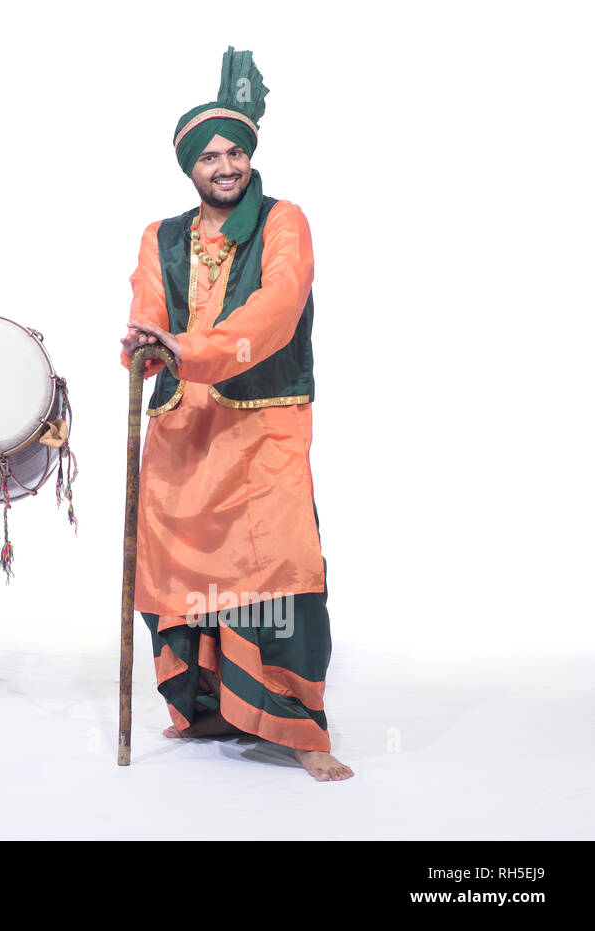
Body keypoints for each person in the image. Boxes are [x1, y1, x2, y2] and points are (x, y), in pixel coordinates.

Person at [120, 47, 351, 780]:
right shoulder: (160, 236)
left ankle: (300, 730)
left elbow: (277, 308)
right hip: (185, 431)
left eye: (235, 153)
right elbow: (148, 311)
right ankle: (210, 704)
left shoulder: (286, 223)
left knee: (279, 568)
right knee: (181, 567)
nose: (225, 166)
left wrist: (189, 348)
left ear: (250, 156)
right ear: (189, 168)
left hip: (262, 432)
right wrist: (145, 344)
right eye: (210, 157)